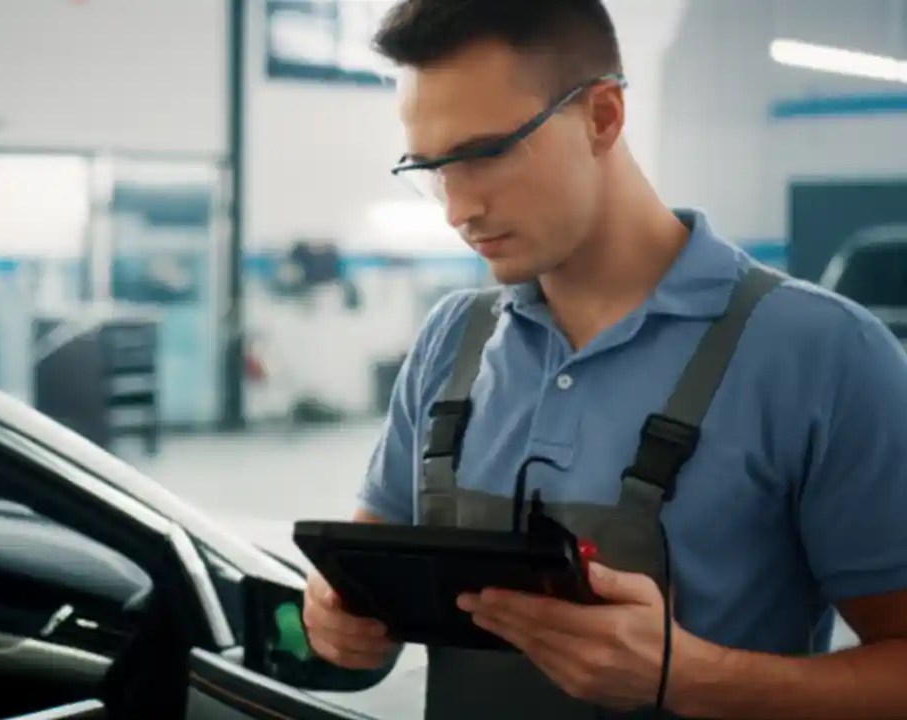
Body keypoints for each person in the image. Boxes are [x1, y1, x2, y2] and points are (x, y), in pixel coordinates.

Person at [300, 0, 907, 718]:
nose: (456, 209)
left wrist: (690, 677)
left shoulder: (822, 354)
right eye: (432, 168)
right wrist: (335, 618)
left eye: (485, 154)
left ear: (603, 116)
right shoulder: (450, 341)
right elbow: (364, 574)